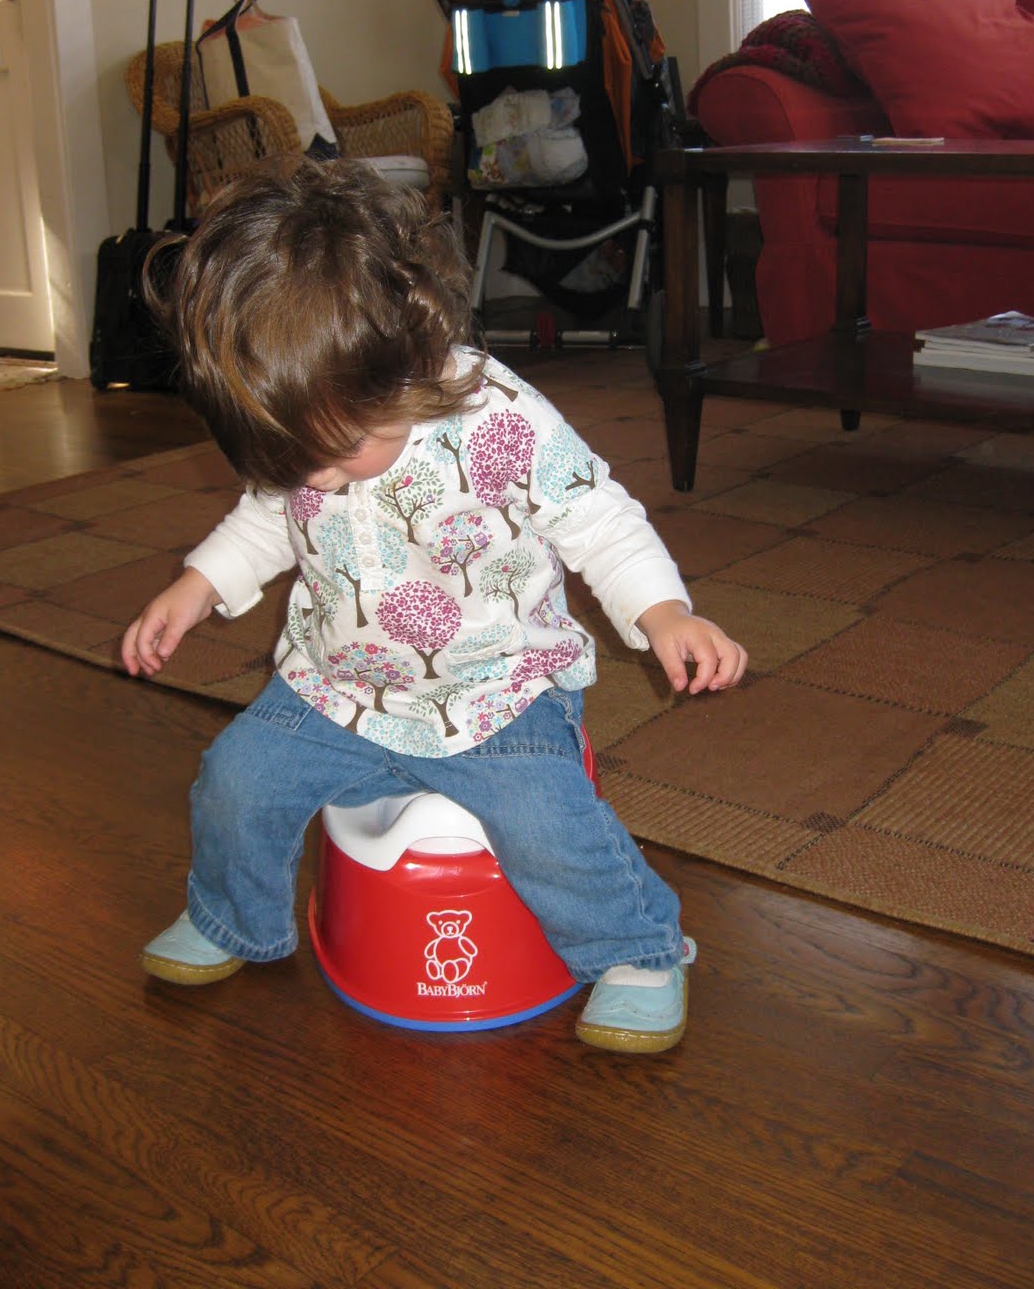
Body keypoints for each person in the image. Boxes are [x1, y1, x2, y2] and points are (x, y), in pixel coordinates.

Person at [122, 160, 747, 1053]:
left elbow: (599, 520)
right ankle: (234, 919)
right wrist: (196, 586)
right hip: (337, 686)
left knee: (545, 823)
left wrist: (664, 613)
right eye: (293, 462)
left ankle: (637, 949)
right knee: (235, 782)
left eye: (339, 454)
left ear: (403, 359)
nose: (318, 482)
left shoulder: (497, 416)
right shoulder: (308, 435)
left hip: (495, 694)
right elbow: (266, 518)